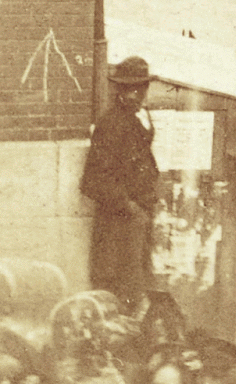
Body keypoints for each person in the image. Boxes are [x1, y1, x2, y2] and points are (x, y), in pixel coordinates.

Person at [79, 56, 160, 308]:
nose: (136, 94)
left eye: (140, 88)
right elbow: (93, 180)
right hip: (117, 230)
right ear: (119, 89)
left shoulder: (140, 118)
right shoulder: (111, 123)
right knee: (117, 296)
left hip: (137, 227)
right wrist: (130, 208)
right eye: (129, 88)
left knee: (136, 292)